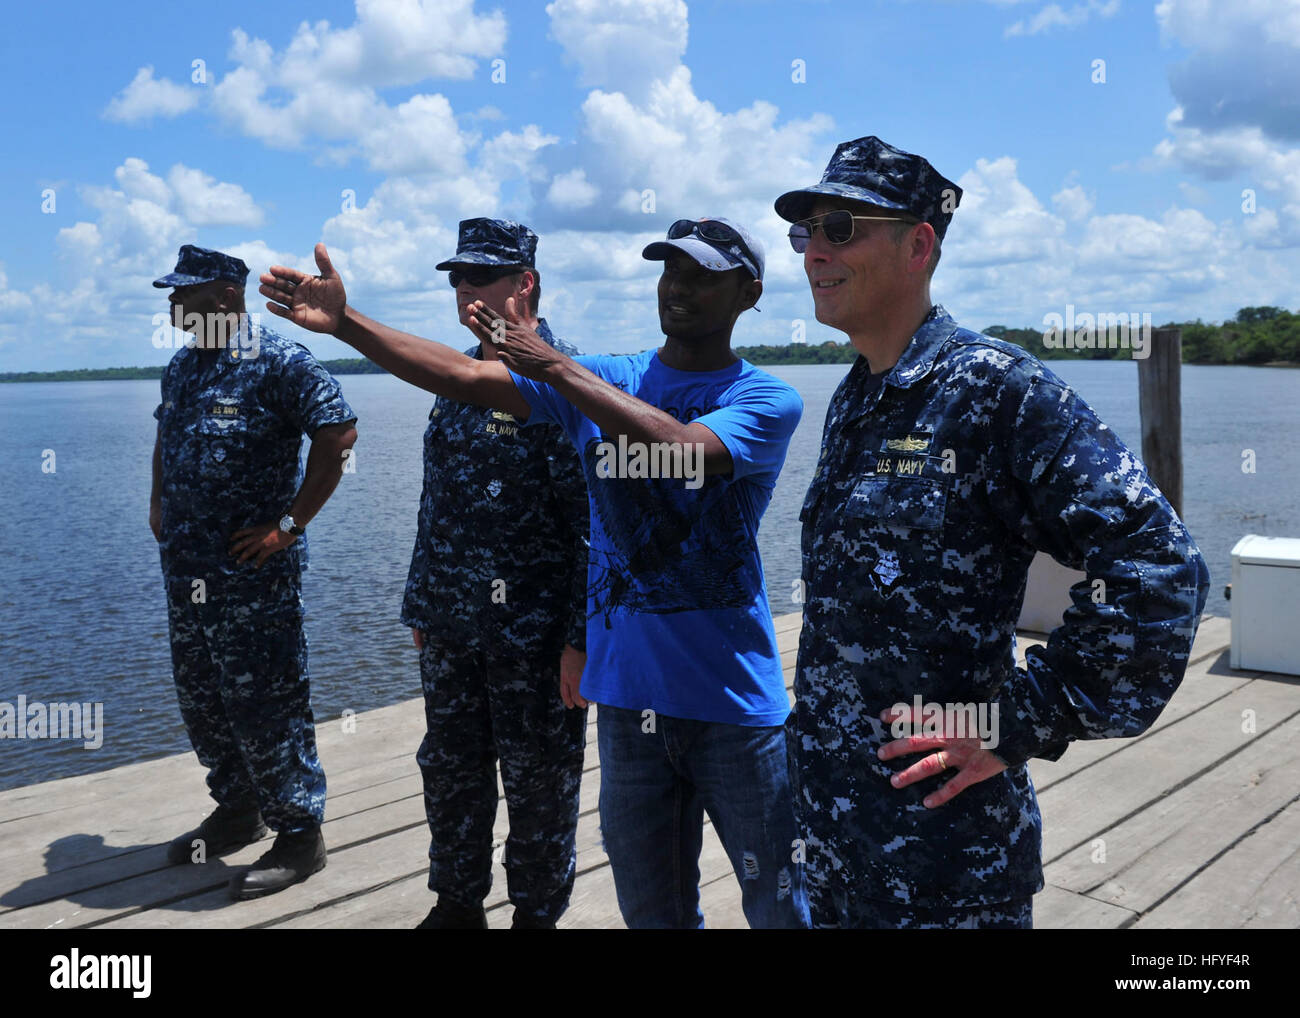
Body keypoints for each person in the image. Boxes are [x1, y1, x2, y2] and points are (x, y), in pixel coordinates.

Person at [258, 217, 811, 929]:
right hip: (631, 704)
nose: (679, 288)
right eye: (670, 270)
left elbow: (684, 452)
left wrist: (549, 363)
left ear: (749, 293)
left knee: (779, 905)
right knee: (654, 910)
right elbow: (460, 374)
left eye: (703, 275)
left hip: (732, 703)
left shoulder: (766, 398)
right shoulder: (608, 376)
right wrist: (346, 324)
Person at [776, 136, 1211, 928]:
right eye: (805, 232)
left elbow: (1160, 570)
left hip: (945, 872)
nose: (814, 253)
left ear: (919, 244)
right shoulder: (857, 398)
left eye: (840, 228)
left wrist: (1020, 719)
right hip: (833, 852)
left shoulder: (993, 389)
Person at [150, 244, 357, 900]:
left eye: (180, 293)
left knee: (267, 701)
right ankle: (237, 808)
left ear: (222, 298)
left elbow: (339, 434)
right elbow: (165, 435)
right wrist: (157, 500)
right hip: (187, 571)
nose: (171, 303)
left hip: (253, 577)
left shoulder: (278, 360)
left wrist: (289, 525)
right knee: (203, 699)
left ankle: (300, 832)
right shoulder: (184, 366)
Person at [402, 219, 590, 930]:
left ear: (525, 283)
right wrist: (422, 602)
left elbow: (592, 527)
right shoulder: (453, 375)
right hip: (451, 626)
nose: (465, 289)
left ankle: (537, 913)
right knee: (450, 771)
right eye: (458, 278)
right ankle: (456, 904)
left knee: (540, 781)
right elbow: (437, 502)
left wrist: (580, 638)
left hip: (534, 638)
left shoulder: (566, 380)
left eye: (481, 276)